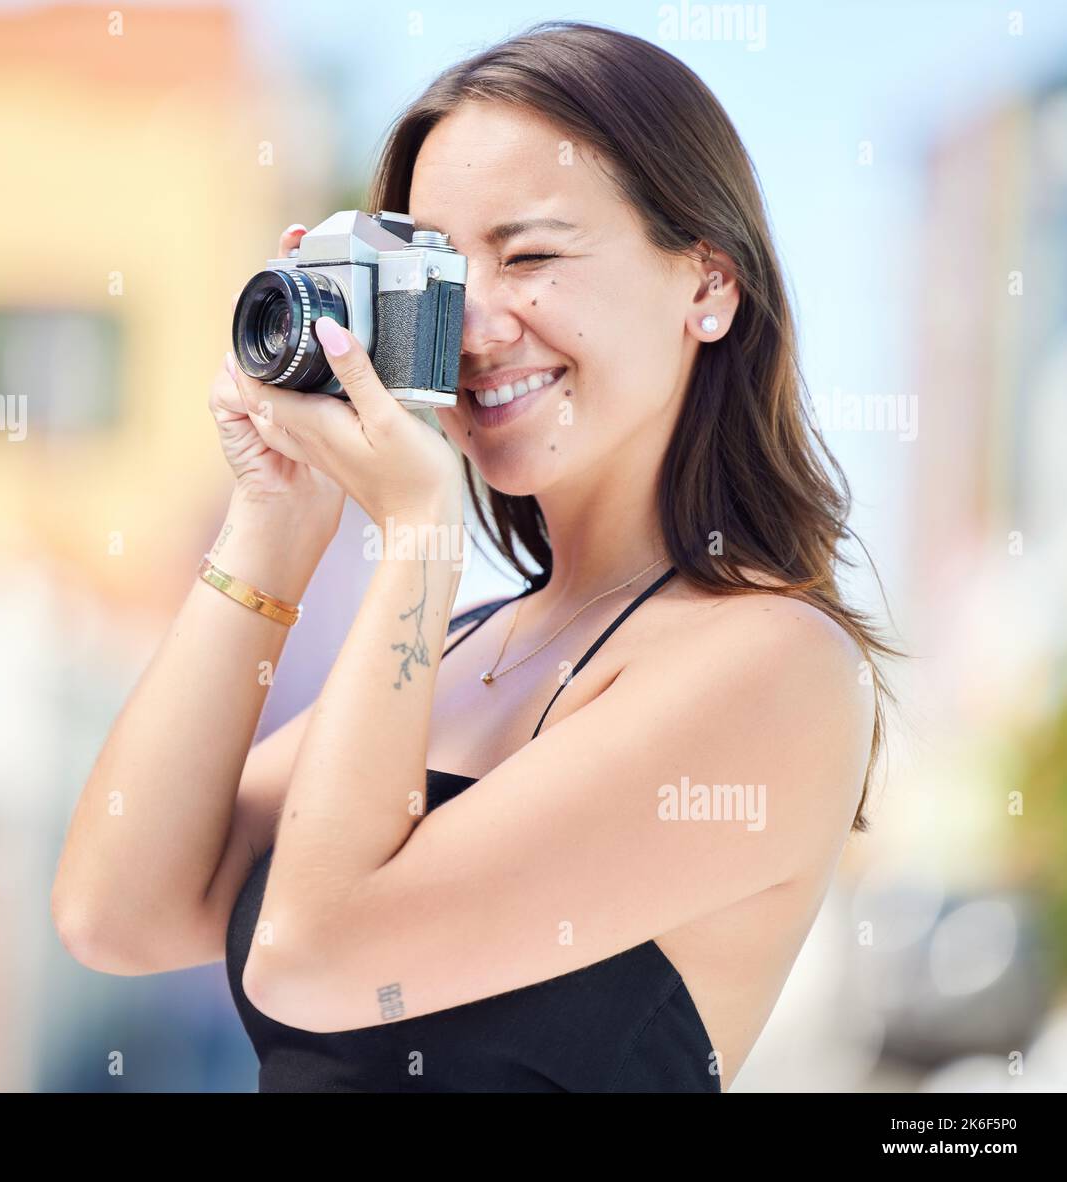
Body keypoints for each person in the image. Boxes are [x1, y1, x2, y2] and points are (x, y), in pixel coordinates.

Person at [52, 19, 902, 1093]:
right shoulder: (457, 653)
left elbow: (316, 960)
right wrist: (274, 521)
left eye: (533, 255)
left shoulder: (774, 665)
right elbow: (114, 914)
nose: (476, 326)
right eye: (439, 277)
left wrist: (415, 538)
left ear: (706, 287)